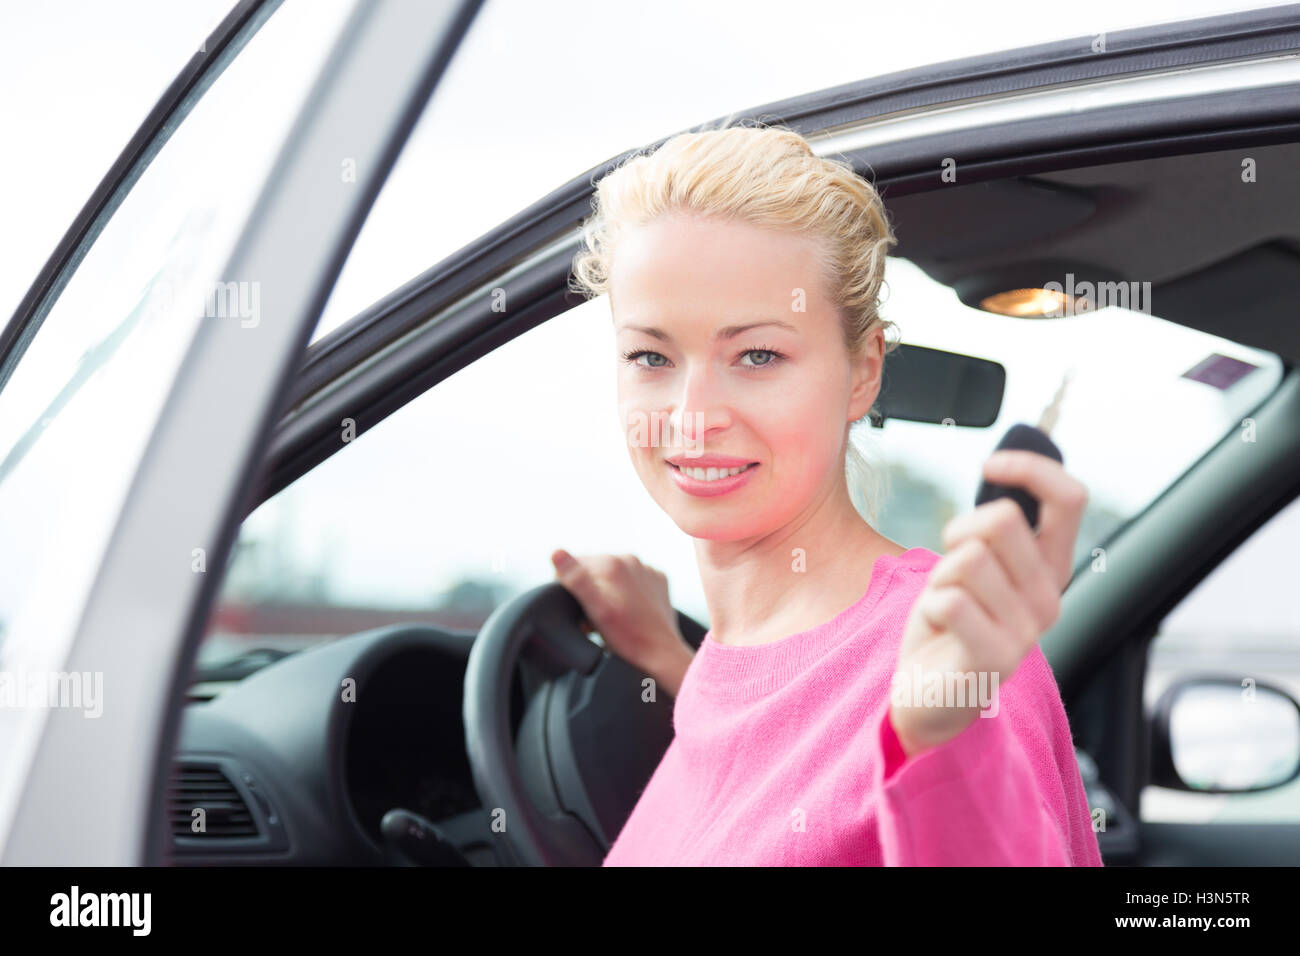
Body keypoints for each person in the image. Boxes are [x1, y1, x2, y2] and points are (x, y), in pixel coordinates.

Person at [550, 121, 1102, 866]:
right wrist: (668, 655)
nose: (691, 418)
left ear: (865, 371)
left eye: (757, 354)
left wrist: (941, 744)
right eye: (651, 355)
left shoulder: (949, 657)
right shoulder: (725, 659)